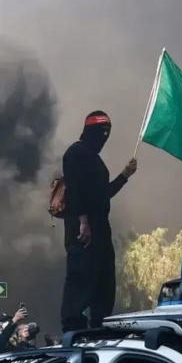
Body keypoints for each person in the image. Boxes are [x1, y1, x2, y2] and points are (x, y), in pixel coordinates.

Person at [61, 110, 137, 331]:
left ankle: (99, 326)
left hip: (102, 232)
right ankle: (73, 329)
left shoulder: (96, 160)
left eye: (107, 132)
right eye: (101, 131)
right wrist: (83, 222)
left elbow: (103, 194)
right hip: (83, 233)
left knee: (103, 282)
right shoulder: (75, 154)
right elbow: (74, 191)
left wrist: (124, 175)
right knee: (80, 280)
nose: (104, 136)